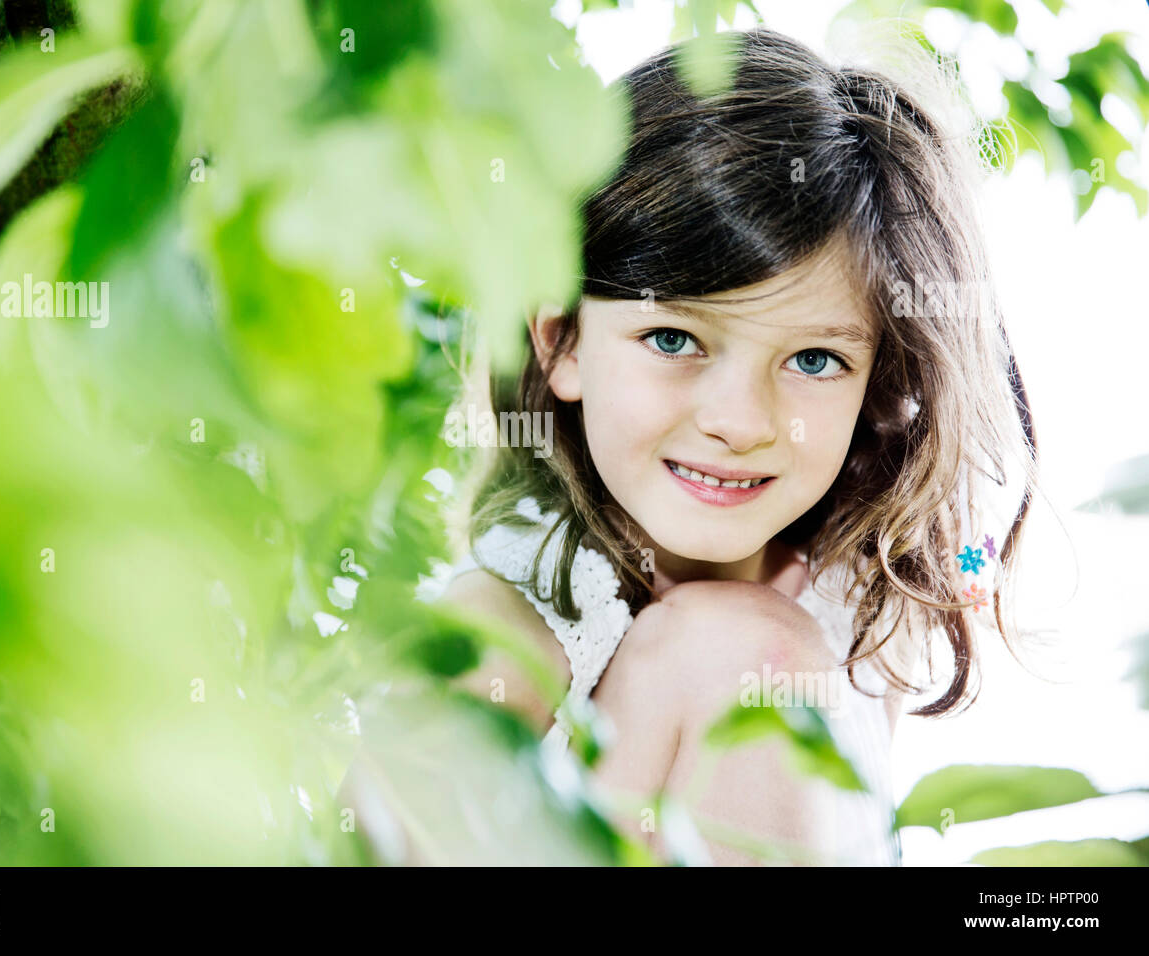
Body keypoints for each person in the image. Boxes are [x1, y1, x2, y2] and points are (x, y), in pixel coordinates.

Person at [438, 26, 1039, 865]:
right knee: (738, 648)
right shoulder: (504, 628)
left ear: (875, 383)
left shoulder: (861, 608)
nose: (742, 420)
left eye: (815, 359)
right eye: (674, 340)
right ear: (563, 341)